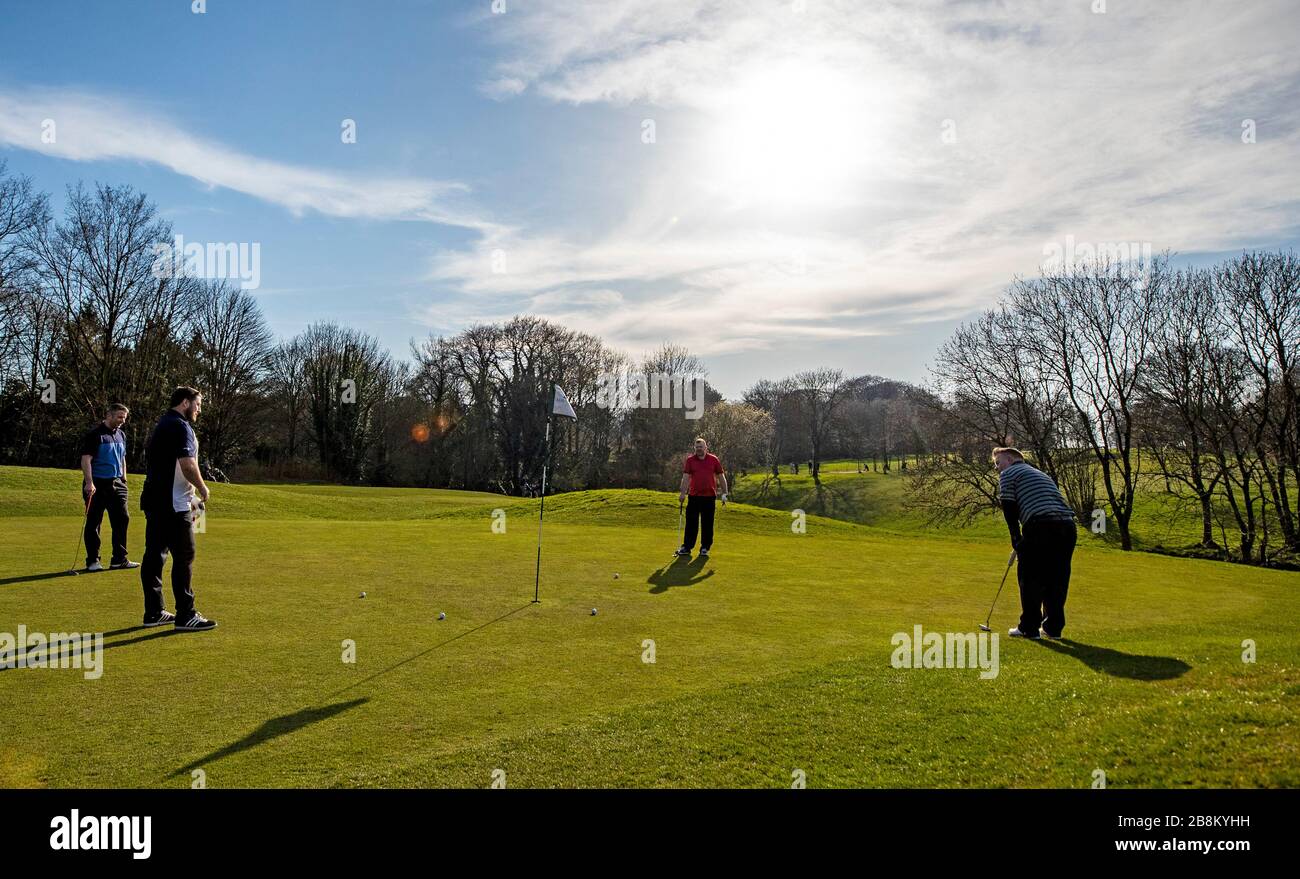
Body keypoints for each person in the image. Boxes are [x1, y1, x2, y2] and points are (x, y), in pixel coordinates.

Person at [139, 387, 216, 632]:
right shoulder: (180, 426)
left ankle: (154, 611)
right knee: (184, 555)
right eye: (198, 404)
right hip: (174, 503)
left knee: (155, 555)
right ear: (185, 402)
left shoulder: (163, 423)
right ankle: (186, 614)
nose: (199, 409)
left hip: (156, 500)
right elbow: (187, 464)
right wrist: (203, 488)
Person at [993, 447, 1077, 639]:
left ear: (1010, 459)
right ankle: (1053, 628)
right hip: (1067, 527)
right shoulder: (1039, 473)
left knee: (1030, 577)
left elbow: (1009, 508)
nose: (997, 468)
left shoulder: (1009, 473)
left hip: (1041, 526)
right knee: (1057, 578)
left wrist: (1016, 538)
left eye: (999, 463)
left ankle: (1029, 628)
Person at [77, 403, 139, 572]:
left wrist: (124, 478)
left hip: (117, 484)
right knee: (94, 523)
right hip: (97, 484)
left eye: (124, 418)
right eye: (119, 417)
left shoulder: (121, 435)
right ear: (109, 415)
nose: (122, 421)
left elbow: (122, 457)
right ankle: (93, 561)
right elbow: (86, 460)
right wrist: (89, 482)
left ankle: (119, 559)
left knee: (122, 519)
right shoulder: (95, 435)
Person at [675, 437, 728, 559]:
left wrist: (725, 493)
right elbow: (686, 478)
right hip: (694, 496)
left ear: (706, 448)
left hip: (709, 497)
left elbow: (721, 477)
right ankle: (687, 547)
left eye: (701, 447)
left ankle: (705, 548)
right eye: (697, 447)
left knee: (707, 524)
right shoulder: (690, 460)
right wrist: (683, 493)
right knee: (691, 523)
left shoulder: (714, 460)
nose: (699, 449)